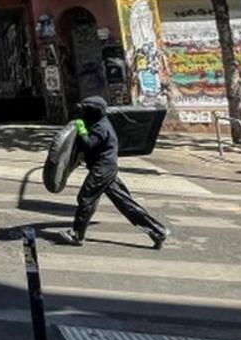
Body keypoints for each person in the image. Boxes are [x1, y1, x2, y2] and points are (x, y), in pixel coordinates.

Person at [59, 96, 170, 248]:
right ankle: (157, 231)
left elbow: (88, 145)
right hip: (107, 168)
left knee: (86, 198)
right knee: (124, 202)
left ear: (94, 112)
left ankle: (77, 235)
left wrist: (81, 129)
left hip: (102, 169)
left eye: (85, 110)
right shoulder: (100, 123)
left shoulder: (100, 128)